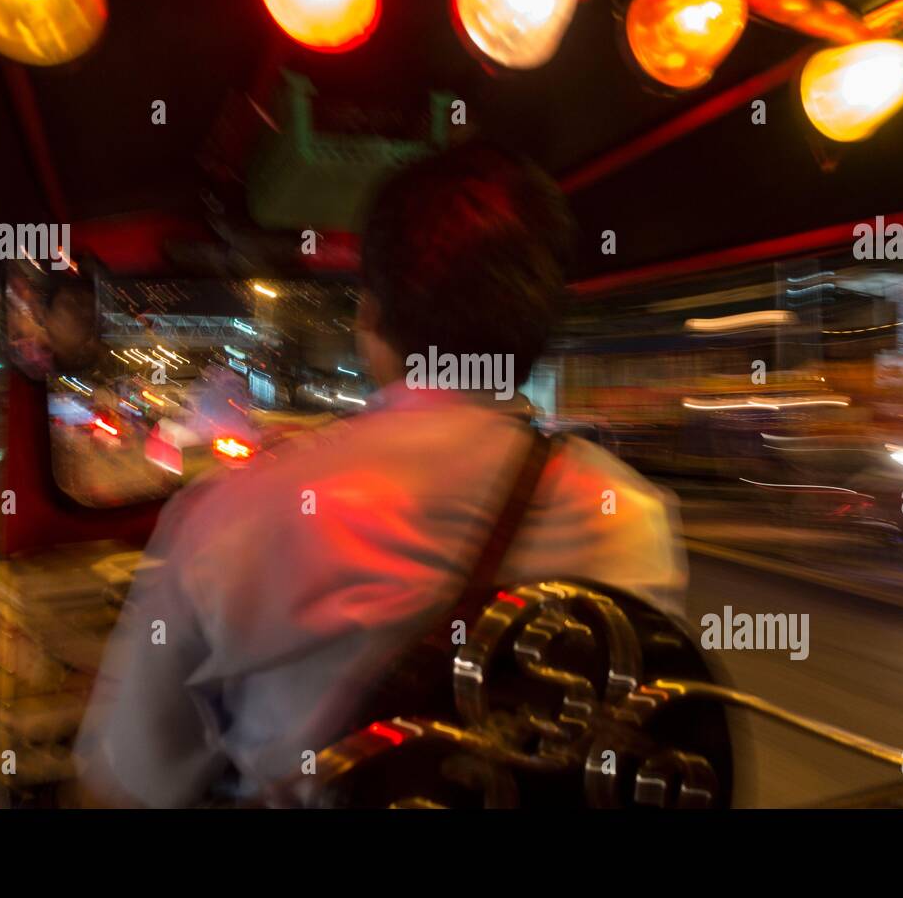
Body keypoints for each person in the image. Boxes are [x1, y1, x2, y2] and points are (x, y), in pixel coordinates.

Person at [75, 143, 686, 807]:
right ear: (540, 327)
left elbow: (128, 779)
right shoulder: (630, 513)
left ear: (370, 318)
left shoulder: (228, 517)